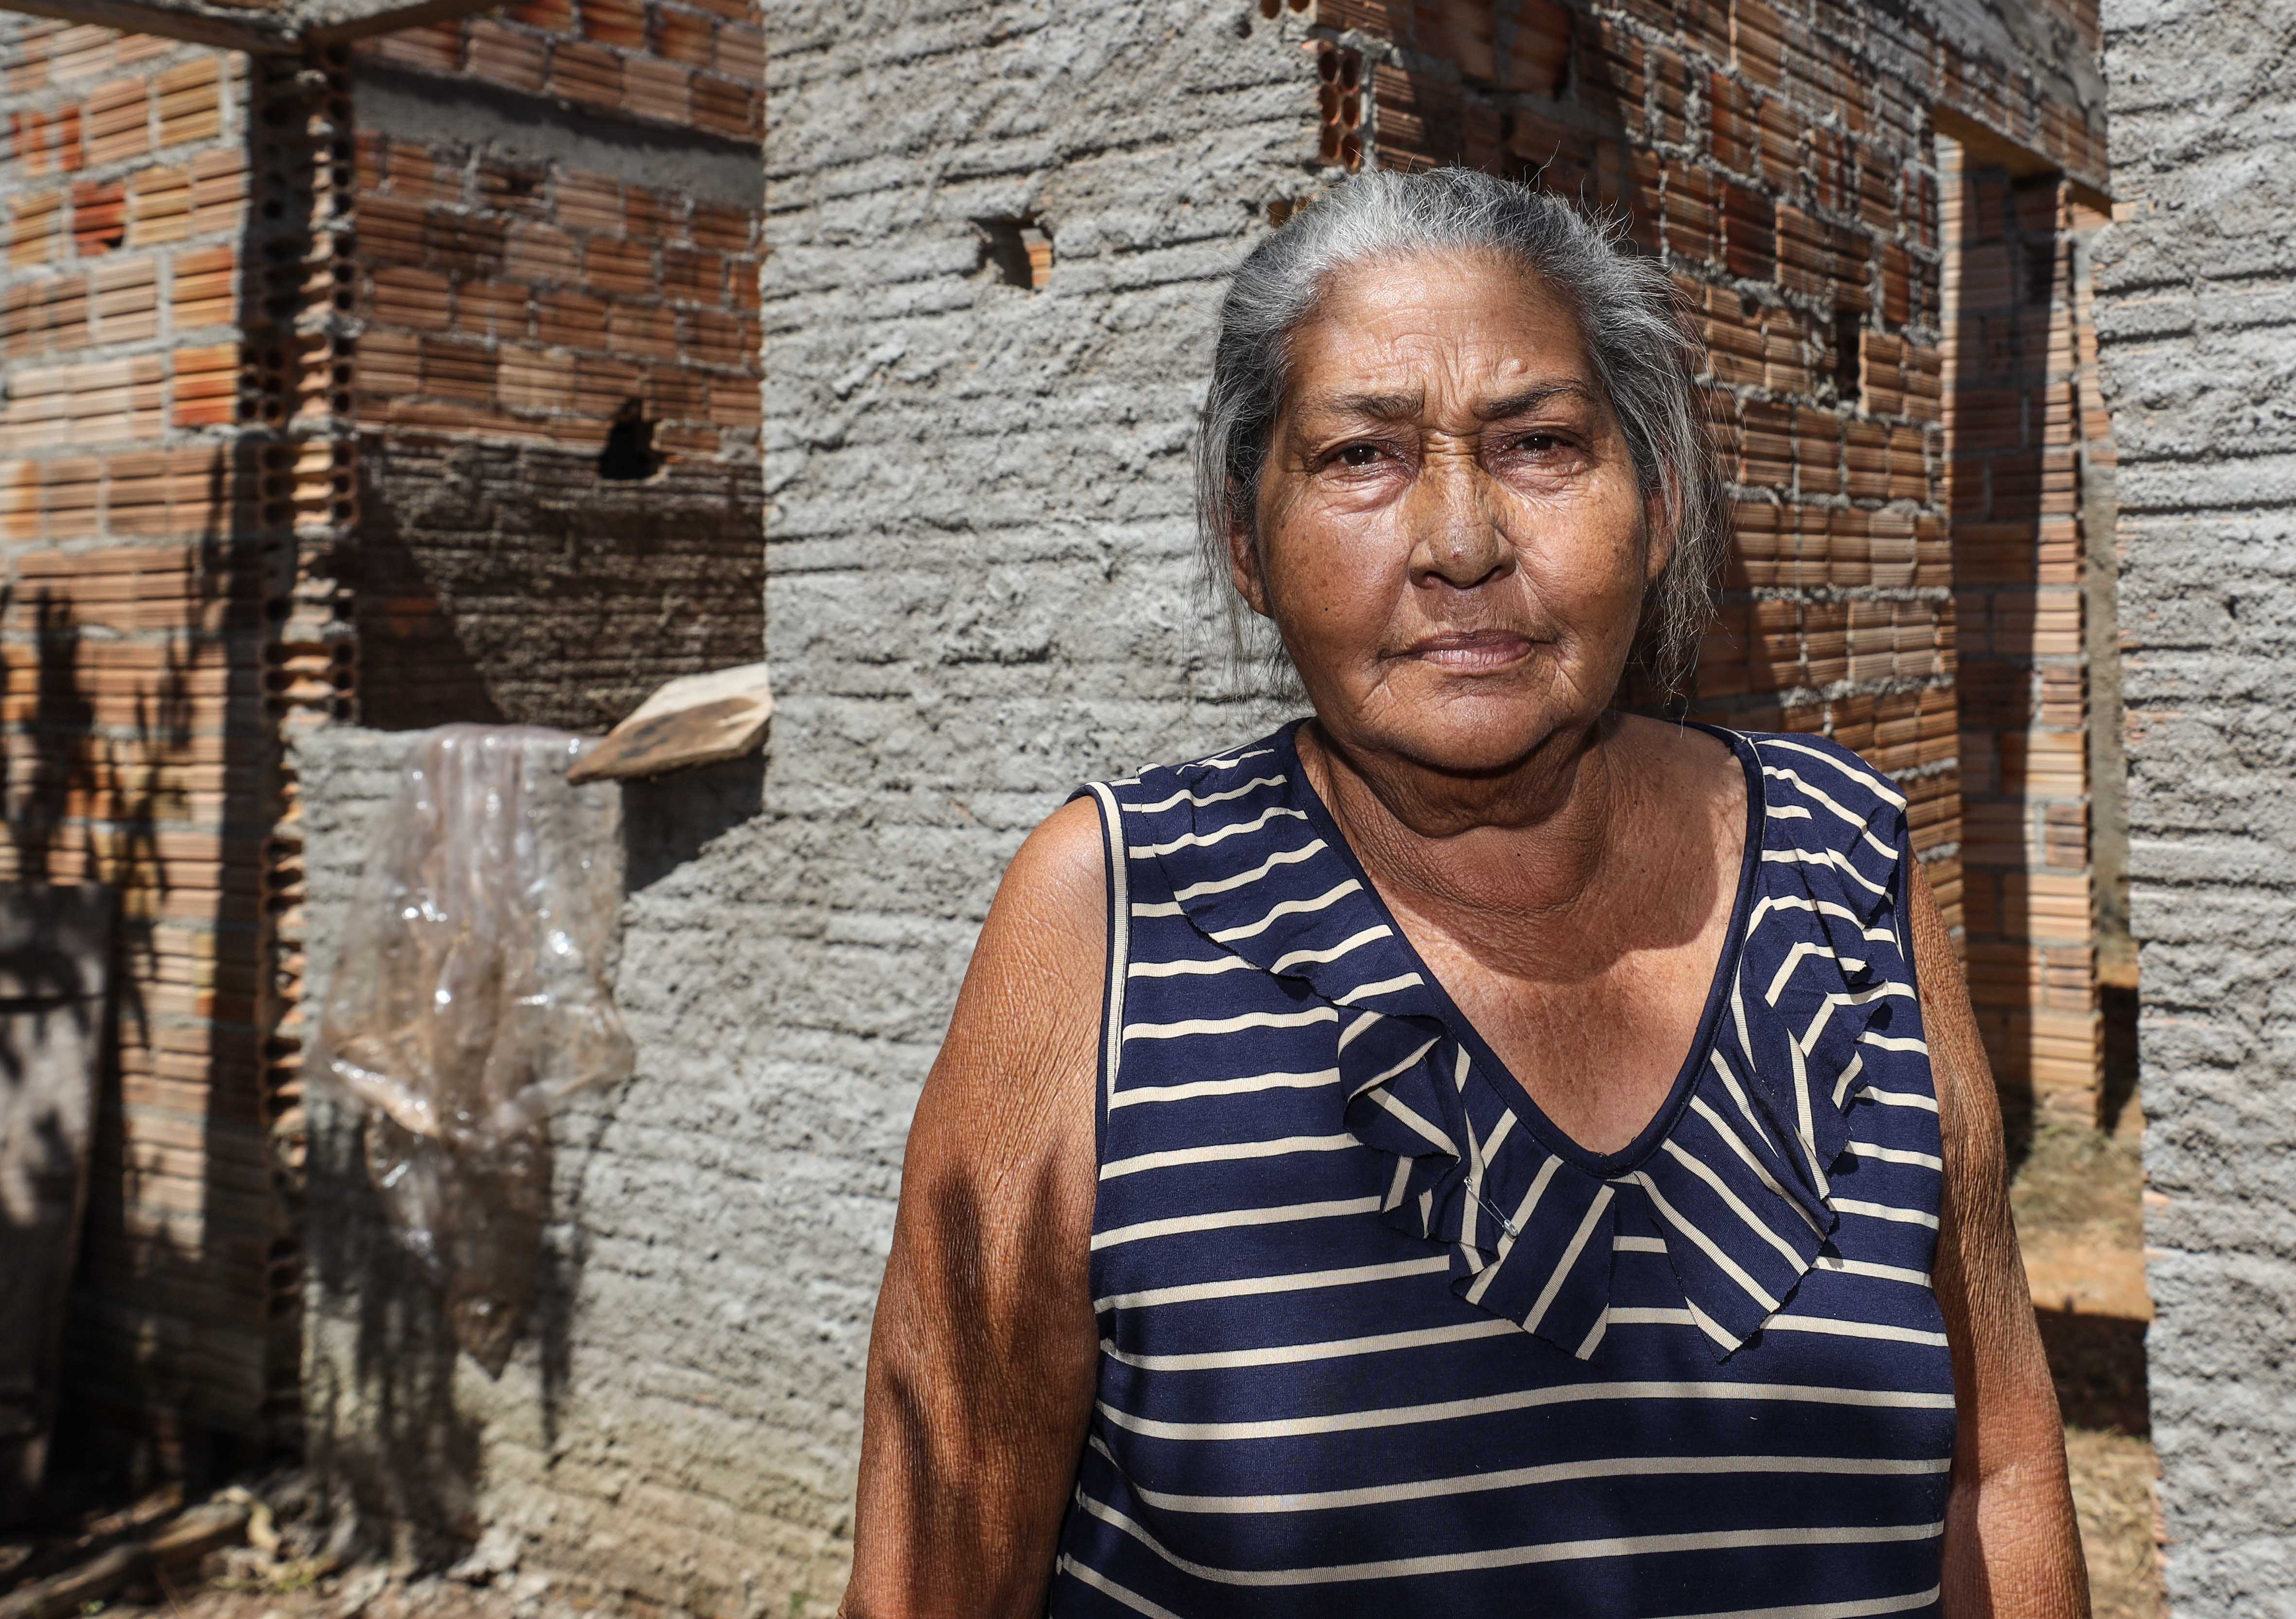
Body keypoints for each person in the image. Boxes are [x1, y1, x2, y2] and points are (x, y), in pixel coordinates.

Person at [845, 167, 2086, 1617]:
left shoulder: (1844, 865)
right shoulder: (1112, 912)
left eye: (1541, 443)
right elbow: (946, 1571)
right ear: (1248, 544)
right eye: (1362, 456)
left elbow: (1993, 1468)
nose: (1460, 542)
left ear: (1661, 507)